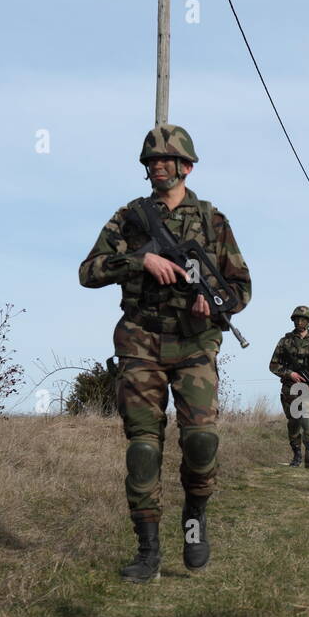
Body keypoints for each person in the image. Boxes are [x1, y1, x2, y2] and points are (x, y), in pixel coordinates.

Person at [78, 124, 251, 581]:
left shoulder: (213, 221)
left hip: (195, 341)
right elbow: (88, 271)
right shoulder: (129, 219)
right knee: (142, 446)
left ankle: (195, 516)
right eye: (150, 161)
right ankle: (148, 551)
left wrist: (213, 300)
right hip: (140, 339)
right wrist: (140, 260)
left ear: (185, 167)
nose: (156, 165)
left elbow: (241, 287)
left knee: (201, 440)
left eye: (165, 160)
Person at [268, 306, 309, 468]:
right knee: (294, 423)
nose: (299, 322)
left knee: (307, 418)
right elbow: (273, 365)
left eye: (302, 319)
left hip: (308, 389)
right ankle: (297, 455)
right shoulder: (285, 341)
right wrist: (290, 374)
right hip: (290, 389)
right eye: (296, 319)